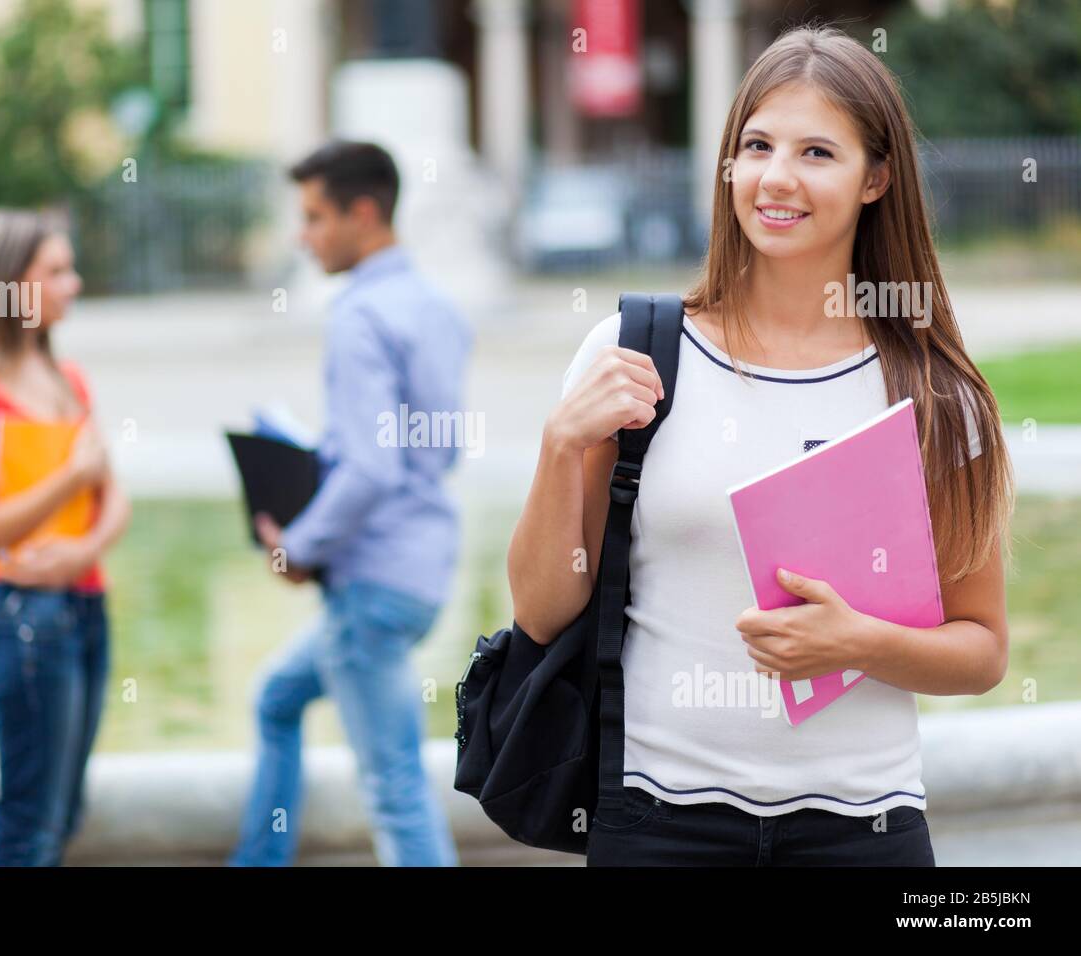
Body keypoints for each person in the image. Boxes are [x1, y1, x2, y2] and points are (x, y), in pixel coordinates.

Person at [509, 26, 1014, 866]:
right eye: (757, 145)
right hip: (657, 825)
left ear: (876, 179)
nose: (777, 177)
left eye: (818, 151)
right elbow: (539, 611)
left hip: (864, 831)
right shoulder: (632, 353)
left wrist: (858, 643)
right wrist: (563, 446)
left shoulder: (930, 395)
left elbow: (983, 649)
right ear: (729, 166)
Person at [228, 141, 473, 867]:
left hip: (370, 586)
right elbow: (440, 450)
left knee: (395, 788)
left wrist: (294, 545)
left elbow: (368, 469)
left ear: (363, 212)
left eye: (314, 218)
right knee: (275, 697)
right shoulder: (436, 305)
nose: (303, 238)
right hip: (420, 572)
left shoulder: (358, 315)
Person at [0, 208, 131, 866]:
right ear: (8, 284)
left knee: (65, 812)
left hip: (84, 607)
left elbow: (115, 499)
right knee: (30, 822)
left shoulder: (68, 380)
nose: (73, 283)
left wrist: (82, 552)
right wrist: (69, 477)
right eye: (55, 271)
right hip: (25, 620)